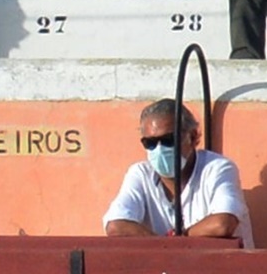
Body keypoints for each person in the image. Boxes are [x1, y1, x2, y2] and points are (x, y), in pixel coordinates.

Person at [102, 100, 255, 248]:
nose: (159, 149)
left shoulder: (217, 168)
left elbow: (222, 224)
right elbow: (116, 225)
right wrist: (166, 245)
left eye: (168, 140)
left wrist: (173, 240)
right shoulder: (140, 174)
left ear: (193, 137)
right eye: (150, 143)